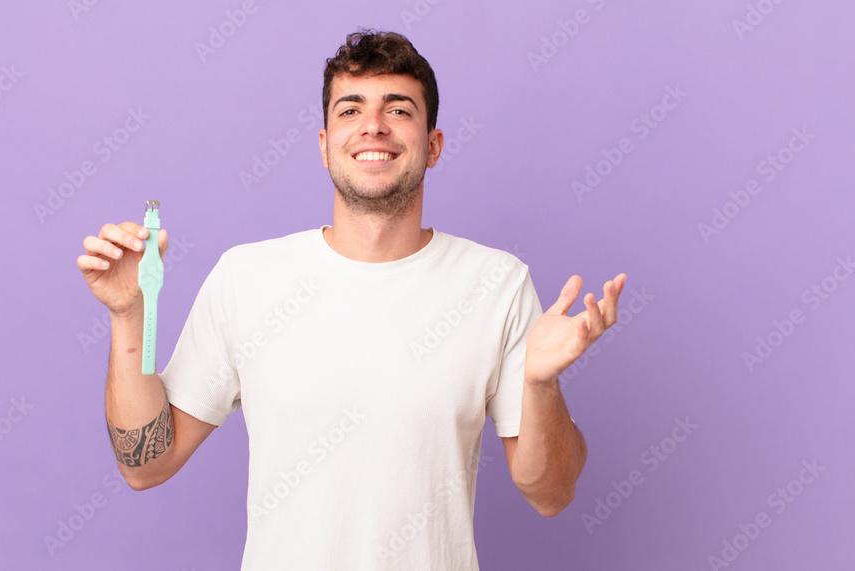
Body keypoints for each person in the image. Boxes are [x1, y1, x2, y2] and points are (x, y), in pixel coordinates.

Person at [77, 28, 626, 570]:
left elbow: (551, 493)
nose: (373, 126)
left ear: (432, 146)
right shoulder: (247, 277)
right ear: (324, 145)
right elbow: (145, 466)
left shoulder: (497, 284)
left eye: (399, 109)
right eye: (349, 110)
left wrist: (540, 384)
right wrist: (128, 314)